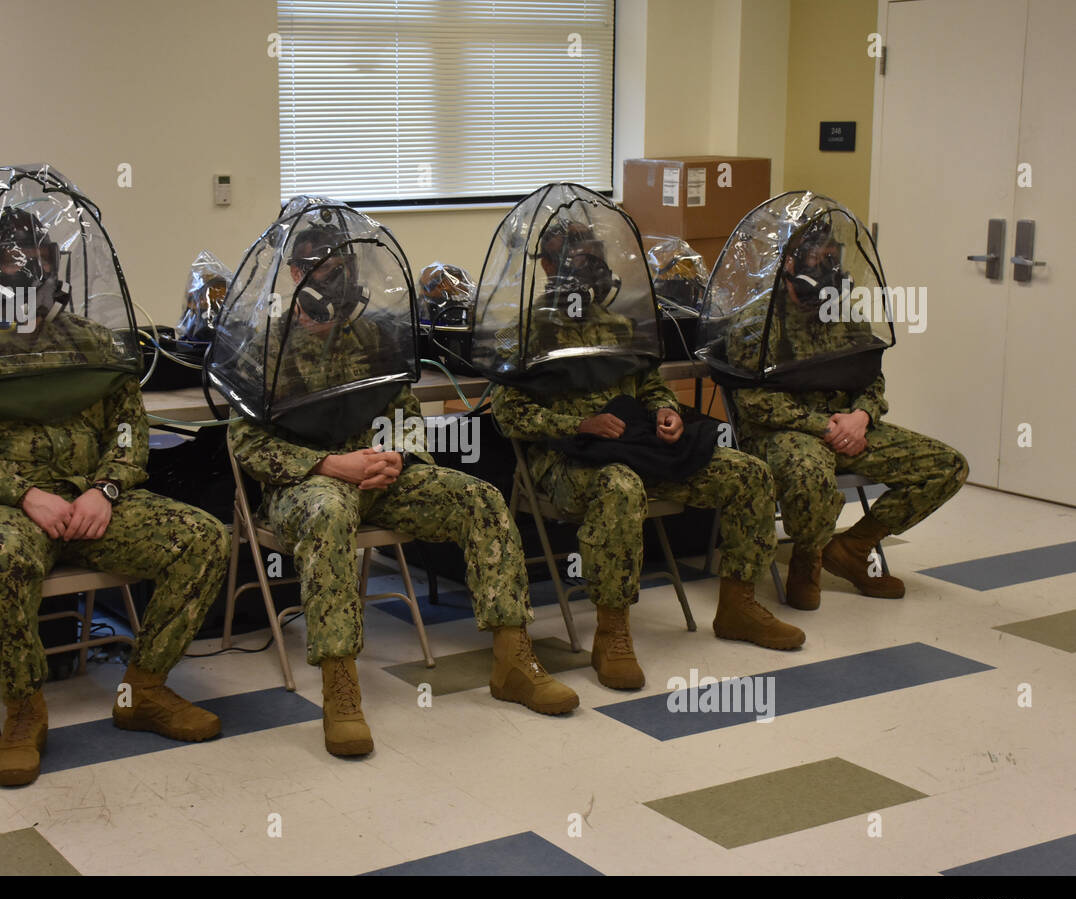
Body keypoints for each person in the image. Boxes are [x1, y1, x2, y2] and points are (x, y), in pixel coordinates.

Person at [0, 205, 230, 788]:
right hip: (0, 510)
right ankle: (24, 712)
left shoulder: (93, 344)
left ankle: (143, 690)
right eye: (9, 260)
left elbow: (129, 432)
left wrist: (104, 490)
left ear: (58, 266)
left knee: (202, 538)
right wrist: (23, 494)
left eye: (40, 260)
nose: (26, 273)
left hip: (93, 502)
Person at [226, 218, 578, 758]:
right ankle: (341, 689)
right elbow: (247, 446)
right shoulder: (264, 347)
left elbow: (407, 417)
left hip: (383, 476)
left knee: (479, 499)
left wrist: (398, 455)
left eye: (342, 269)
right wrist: (331, 464)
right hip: (309, 483)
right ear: (294, 273)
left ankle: (514, 659)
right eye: (321, 269)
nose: (334, 281)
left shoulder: (374, 338)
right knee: (326, 514)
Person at [491, 220, 806, 692]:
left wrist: (664, 410)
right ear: (549, 267)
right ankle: (612, 631)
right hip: (563, 461)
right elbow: (508, 414)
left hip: (635, 448)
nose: (592, 272)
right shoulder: (525, 332)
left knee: (749, 474)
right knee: (619, 487)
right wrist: (578, 424)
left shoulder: (620, 326)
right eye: (579, 262)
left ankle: (738, 605)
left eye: (597, 261)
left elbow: (651, 383)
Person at [725, 221, 968, 610]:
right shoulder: (758, 321)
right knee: (809, 476)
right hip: (784, 431)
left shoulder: (844, 314)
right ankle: (808, 557)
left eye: (832, 261)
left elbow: (871, 379)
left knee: (947, 466)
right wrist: (824, 425)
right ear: (788, 263)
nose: (826, 270)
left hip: (847, 427)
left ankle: (853, 547)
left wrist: (862, 418)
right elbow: (754, 403)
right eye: (818, 261)